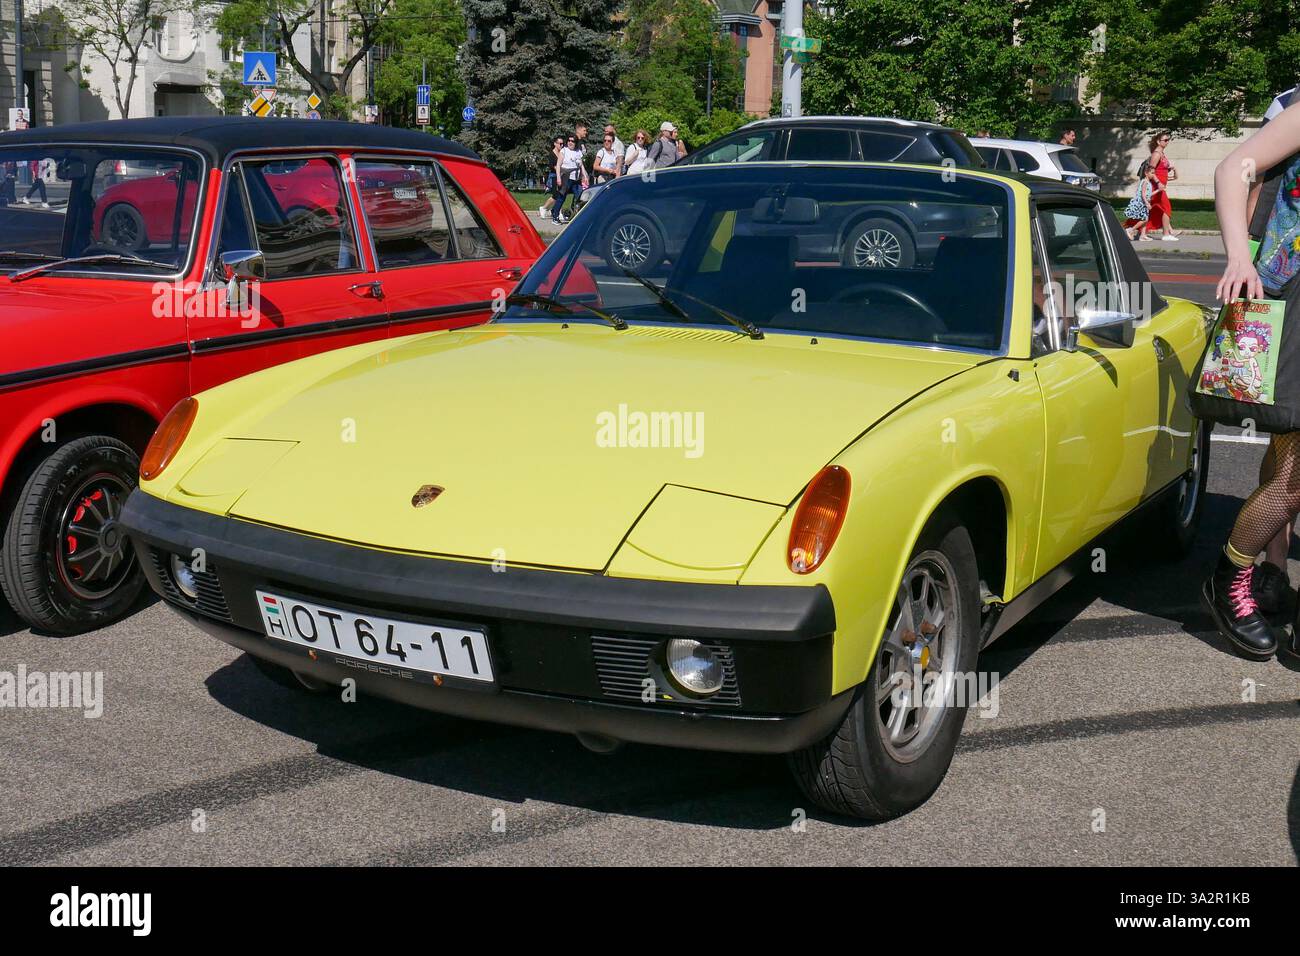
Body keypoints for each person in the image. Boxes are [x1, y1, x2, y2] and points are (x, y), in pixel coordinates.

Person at [1203, 99, 1300, 662]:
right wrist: (1239, 256)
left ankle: (1262, 576)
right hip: (1293, 297)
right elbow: (1233, 169)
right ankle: (1230, 577)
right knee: (1294, 469)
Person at [1145, 132, 1180, 241]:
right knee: (1166, 208)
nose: (1167, 142)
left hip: (1161, 185)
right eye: (1165, 140)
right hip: (1156, 186)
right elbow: (1150, 171)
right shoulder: (1156, 154)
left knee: (1156, 209)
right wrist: (1158, 182)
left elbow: (1162, 170)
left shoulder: (1162, 154)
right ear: (1158, 141)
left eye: (1168, 140)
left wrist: (1172, 170)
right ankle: (1166, 234)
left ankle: (1133, 229)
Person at [552, 134, 586, 224]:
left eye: (573, 141)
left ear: (576, 143)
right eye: (569, 141)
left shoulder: (578, 152)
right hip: (566, 177)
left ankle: (576, 215)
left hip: (576, 178)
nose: (570, 142)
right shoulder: (564, 151)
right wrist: (558, 177)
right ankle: (555, 216)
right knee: (561, 197)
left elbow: (581, 165)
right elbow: (558, 165)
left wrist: (584, 175)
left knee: (580, 196)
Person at [1122, 165, 1163, 240]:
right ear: (1146, 173)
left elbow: (1148, 194)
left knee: (1145, 219)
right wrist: (1147, 203)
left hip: (1144, 202)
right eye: (1152, 173)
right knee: (1144, 219)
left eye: (1154, 173)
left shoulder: (1148, 182)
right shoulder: (1145, 182)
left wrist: (1158, 190)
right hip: (1141, 203)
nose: (1153, 175)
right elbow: (1143, 194)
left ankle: (1142, 235)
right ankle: (1131, 230)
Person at [537, 136, 565, 219]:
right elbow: (553, 166)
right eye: (560, 143)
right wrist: (560, 170)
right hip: (554, 176)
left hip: (561, 175)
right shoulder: (552, 154)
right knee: (556, 195)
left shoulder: (562, 153)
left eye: (562, 143)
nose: (561, 145)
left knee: (561, 194)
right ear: (555, 144)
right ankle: (544, 208)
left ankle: (557, 211)